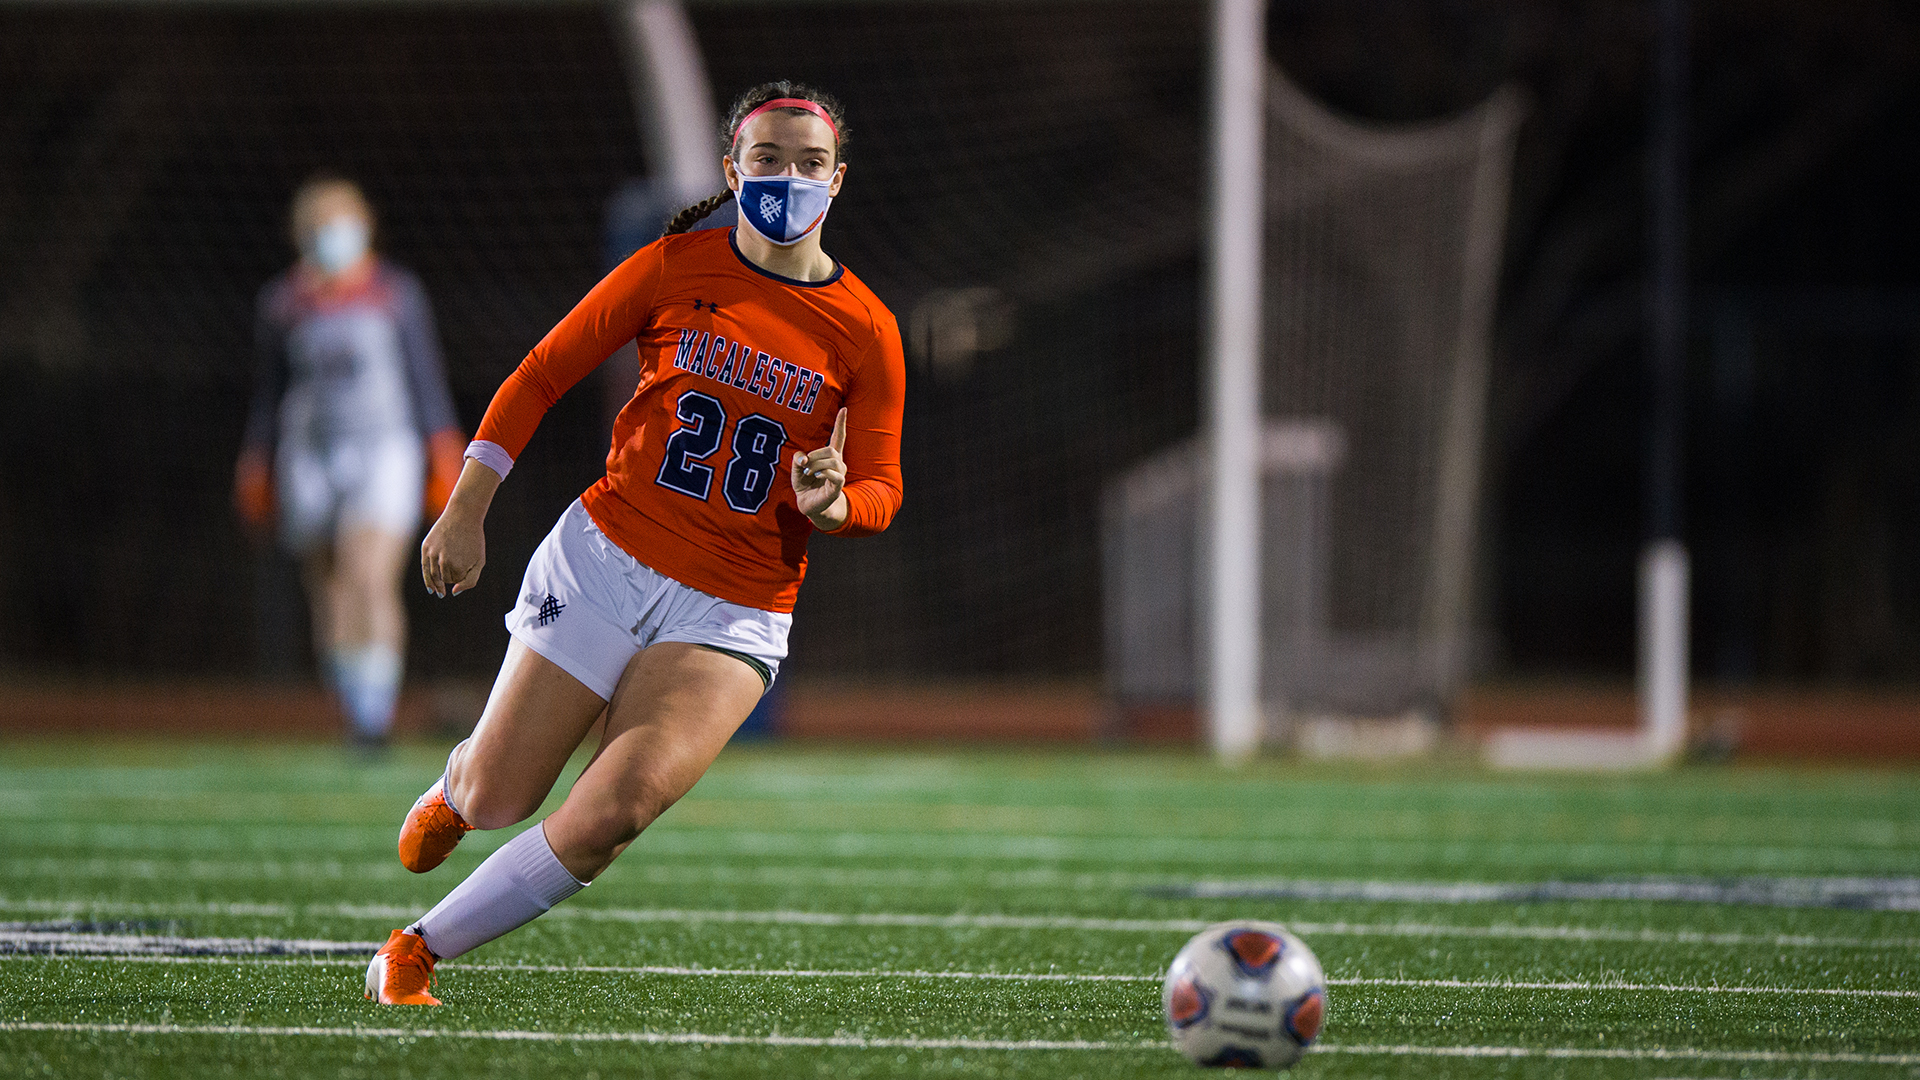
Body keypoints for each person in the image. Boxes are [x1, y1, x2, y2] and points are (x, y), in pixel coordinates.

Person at [363, 82, 905, 1005]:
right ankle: (461, 788)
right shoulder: (671, 266)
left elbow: (883, 486)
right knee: (503, 797)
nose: (786, 178)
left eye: (808, 164)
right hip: (608, 559)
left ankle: (416, 950)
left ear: (838, 181)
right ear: (733, 170)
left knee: (616, 811)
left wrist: (837, 507)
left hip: (736, 604)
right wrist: (466, 508)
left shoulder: (868, 330)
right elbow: (541, 374)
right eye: (767, 159)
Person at [236, 176, 465, 749]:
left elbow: (424, 376)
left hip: (384, 448)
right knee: (328, 585)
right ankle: (355, 708)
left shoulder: (395, 294)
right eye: (318, 226)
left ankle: (376, 715)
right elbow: (269, 391)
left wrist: (444, 448)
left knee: (369, 573)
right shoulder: (283, 301)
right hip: (310, 451)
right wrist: (256, 459)